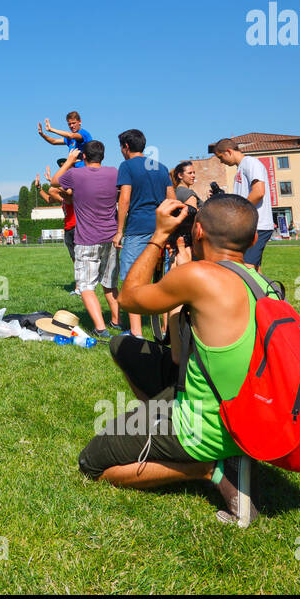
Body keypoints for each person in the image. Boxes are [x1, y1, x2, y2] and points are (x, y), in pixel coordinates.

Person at [79, 193, 272, 525]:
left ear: (197, 233)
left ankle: (210, 468)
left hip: (206, 423)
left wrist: (158, 236)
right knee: (123, 346)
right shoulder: (262, 282)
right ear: (254, 239)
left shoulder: (199, 277)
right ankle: (167, 428)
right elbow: (180, 358)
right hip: (248, 413)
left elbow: (128, 298)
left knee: (92, 464)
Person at [113, 129, 174, 338]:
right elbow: (172, 198)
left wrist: (119, 230)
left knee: (132, 279)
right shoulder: (162, 167)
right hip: (161, 228)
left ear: (126, 147)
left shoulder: (126, 166)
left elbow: (125, 199)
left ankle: (136, 332)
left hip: (137, 228)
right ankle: (166, 329)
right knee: (162, 280)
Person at [56, 142, 119, 337]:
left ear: (83, 157)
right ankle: (117, 321)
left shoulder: (76, 174)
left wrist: (69, 160)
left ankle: (100, 328)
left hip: (87, 238)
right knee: (109, 283)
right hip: (112, 235)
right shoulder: (114, 173)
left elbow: (55, 181)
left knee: (86, 285)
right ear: (103, 156)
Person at [212, 138, 273, 271]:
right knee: (254, 270)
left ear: (229, 151)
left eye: (220, 157)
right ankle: (266, 292)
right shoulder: (241, 168)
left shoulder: (250, 162)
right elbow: (244, 197)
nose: (221, 161)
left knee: (246, 269)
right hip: (250, 226)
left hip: (258, 225)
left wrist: (239, 212)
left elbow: (258, 192)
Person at [36, 165, 75, 286]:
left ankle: (80, 287)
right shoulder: (63, 199)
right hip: (68, 229)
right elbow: (49, 198)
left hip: (77, 228)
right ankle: (80, 286)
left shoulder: (73, 194)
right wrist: (39, 188)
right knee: (75, 260)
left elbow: (53, 190)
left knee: (78, 260)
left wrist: (53, 180)